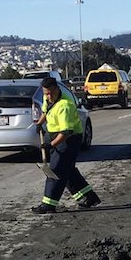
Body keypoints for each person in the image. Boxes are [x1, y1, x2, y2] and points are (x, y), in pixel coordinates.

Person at [32, 77, 100, 214]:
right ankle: (89, 197)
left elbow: (66, 132)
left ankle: (48, 204)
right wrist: (39, 123)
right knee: (68, 170)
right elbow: (45, 112)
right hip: (56, 136)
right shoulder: (48, 99)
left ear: (57, 89)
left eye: (51, 93)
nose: (48, 96)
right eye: (46, 93)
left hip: (68, 139)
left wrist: (51, 145)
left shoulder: (65, 106)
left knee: (56, 170)